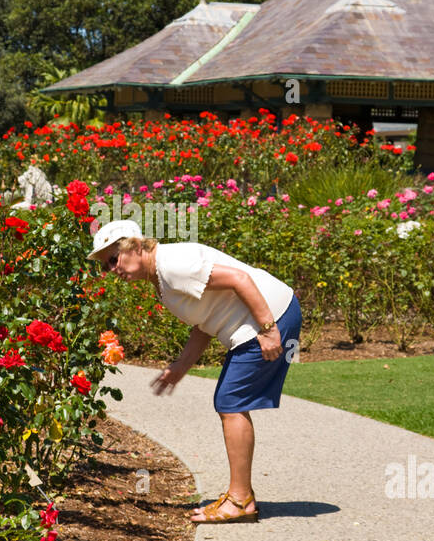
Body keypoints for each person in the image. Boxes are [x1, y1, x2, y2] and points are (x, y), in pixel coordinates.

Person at [88, 219, 302, 524]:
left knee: (231, 402)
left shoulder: (173, 265)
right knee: (230, 401)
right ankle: (239, 496)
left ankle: (241, 501)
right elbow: (204, 321)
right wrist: (180, 366)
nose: (111, 270)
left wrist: (268, 330)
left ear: (135, 246)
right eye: (105, 267)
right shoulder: (161, 276)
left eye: (113, 259)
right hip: (263, 319)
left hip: (270, 317)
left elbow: (240, 279)